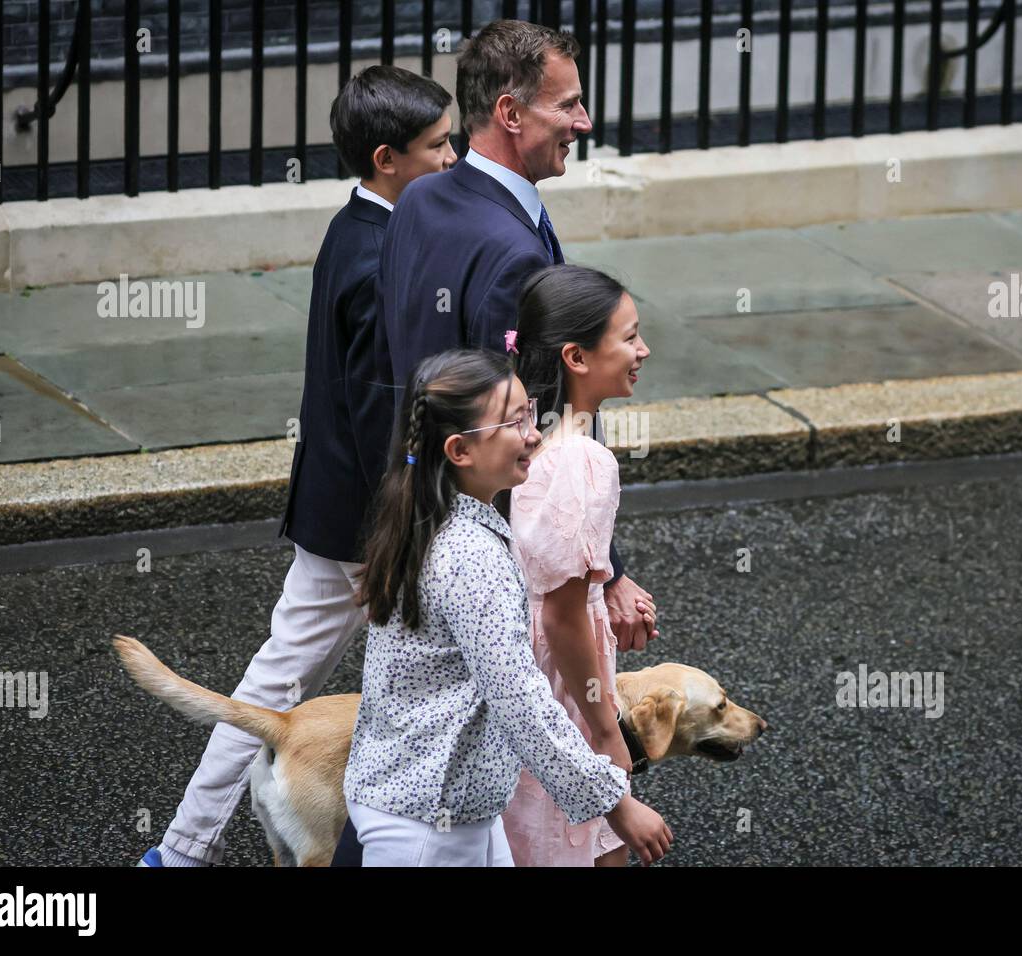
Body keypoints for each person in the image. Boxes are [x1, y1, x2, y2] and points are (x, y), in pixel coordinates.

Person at [137, 66, 455, 867]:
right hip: (371, 524)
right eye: (438, 144)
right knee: (429, 682)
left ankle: (180, 853)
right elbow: (385, 411)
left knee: (276, 692)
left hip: (336, 507)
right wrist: (414, 526)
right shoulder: (383, 258)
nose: (453, 157)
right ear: (388, 157)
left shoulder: (355, 227)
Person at [379, 18, 657, 653]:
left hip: (420, 519)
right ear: (509, 112)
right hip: (491, 551)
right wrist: (602, 569)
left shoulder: (419, 201)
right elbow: (540, 416)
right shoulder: (514, 254)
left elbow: (394, 360)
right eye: (567, 105)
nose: (583, 122)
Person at [342, 349, 672, 866]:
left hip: (436, 805)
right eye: (514, 421)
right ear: (460, 450)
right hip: (431, 825)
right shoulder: (471, 556)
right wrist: (615, 802)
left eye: (530, 411)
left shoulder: (429, 518)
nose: (534, 434)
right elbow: (521, 701)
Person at [499, 265, 652, 866]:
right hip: (565, 683)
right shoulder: (583, 460)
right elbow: (563, 617)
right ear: (577, 357)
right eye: (629, 337)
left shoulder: (530, 438)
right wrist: (609, 735)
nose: (644, 350)